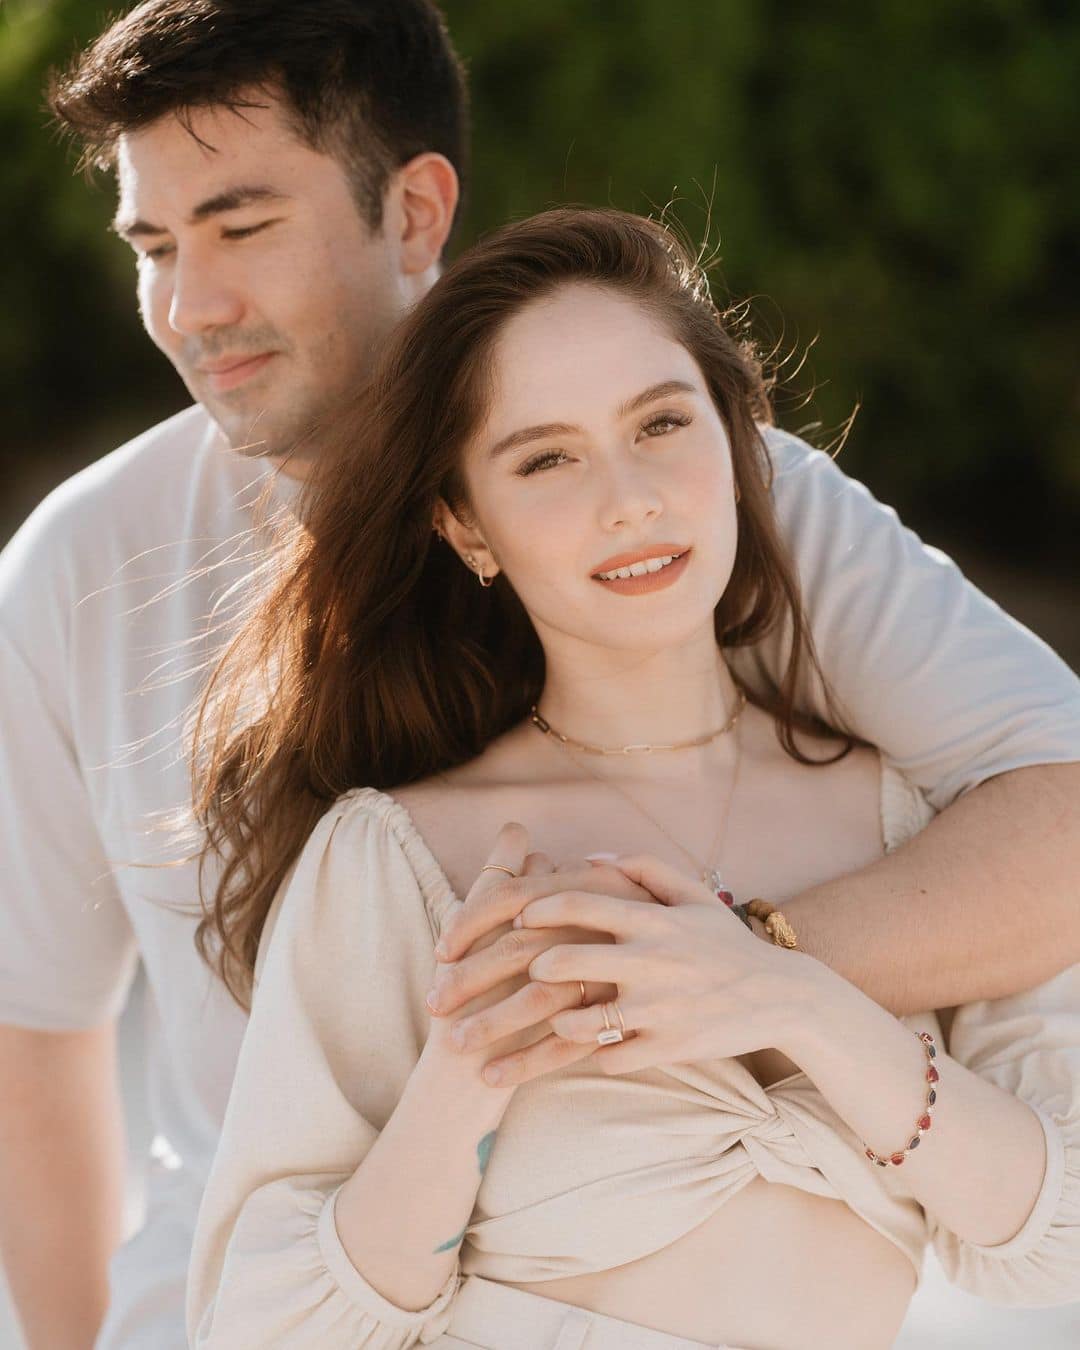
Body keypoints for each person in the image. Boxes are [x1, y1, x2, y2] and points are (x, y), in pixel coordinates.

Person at [0, 3, 1077, 1348]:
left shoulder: (709, 505)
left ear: (413, 212)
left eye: (243, 225)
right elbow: (34, 1029)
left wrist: (736, 967)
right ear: (463, 529)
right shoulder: (81, 571)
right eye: (155, 247)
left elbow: (1058, 815)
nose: (188, 305)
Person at [185, 208, 1080, 1350]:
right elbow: (261, 1329)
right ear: (468, 528)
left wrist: (791, 992)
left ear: (740, 447)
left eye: (661, 424)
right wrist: (467, 1073)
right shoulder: (399, 857)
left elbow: (1056, 1235)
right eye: (546, 458)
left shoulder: (922, 827)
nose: (629, 498)